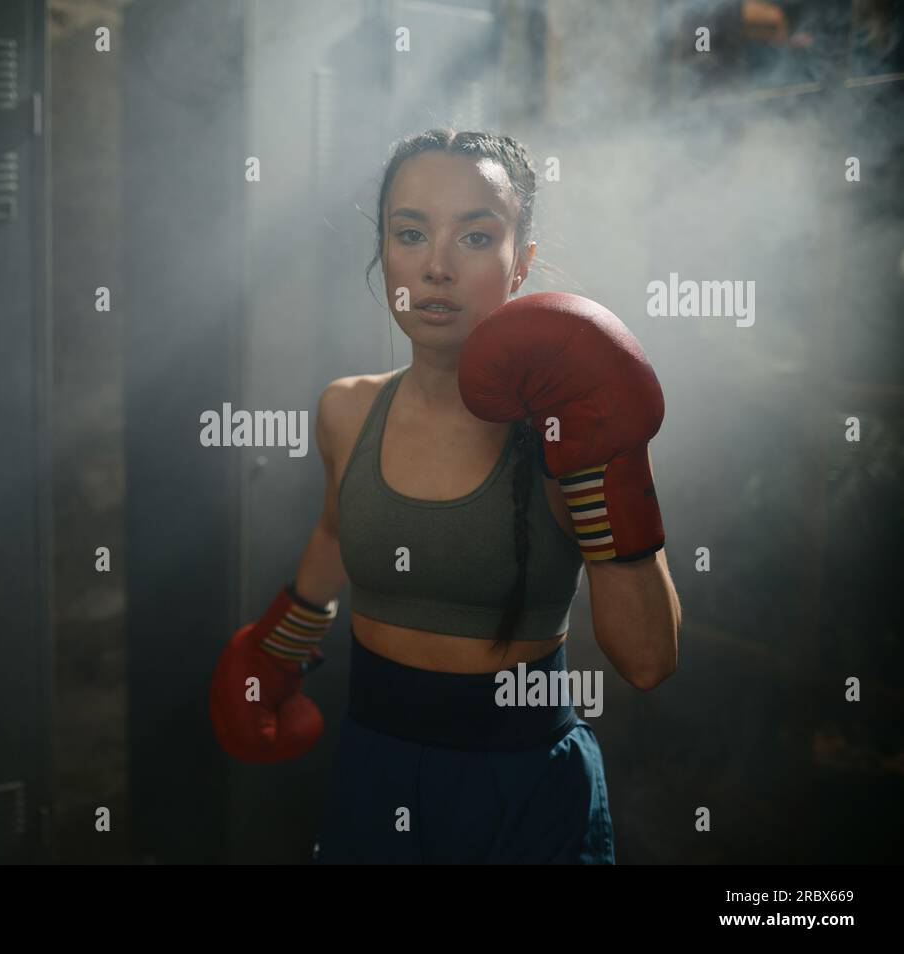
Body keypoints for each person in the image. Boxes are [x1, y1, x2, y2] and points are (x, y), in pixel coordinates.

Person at [209, 129, 682, 864]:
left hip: (524, 788)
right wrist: (278, 650)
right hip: (374, 769)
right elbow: (337, 534)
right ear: (383, 253)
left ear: (520, 264)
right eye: (409, 233)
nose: (435, 267)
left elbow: (649, 660)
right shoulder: (345, 410)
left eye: (475, 236)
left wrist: (608, 469)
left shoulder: (561, 433)